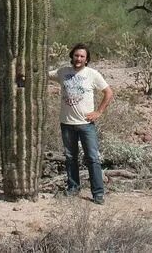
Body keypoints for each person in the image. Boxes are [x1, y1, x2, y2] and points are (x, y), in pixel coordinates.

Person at [49, 43, 114, 204]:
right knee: (70, 157)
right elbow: (41, 75)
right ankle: (73, 188)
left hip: (85, 124)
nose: (78, 59)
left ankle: (98, 193)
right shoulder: (62, 72)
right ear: (72, 56)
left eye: (82, 56)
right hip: (66, 123)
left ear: (86, 59)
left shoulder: (92, 74)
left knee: (92, 158)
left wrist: (98, 112)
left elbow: (108, 92)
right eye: (76, 55)